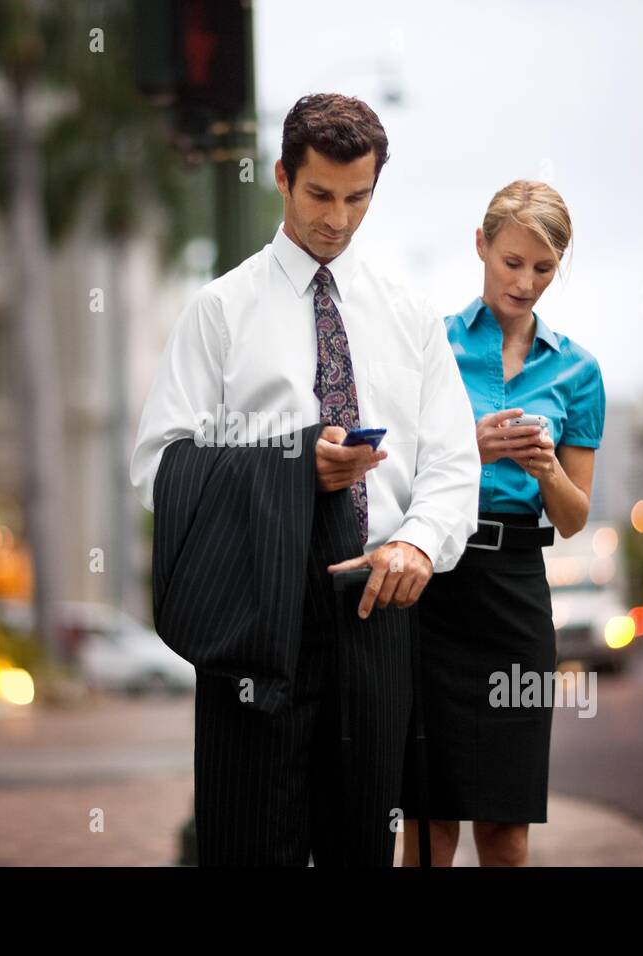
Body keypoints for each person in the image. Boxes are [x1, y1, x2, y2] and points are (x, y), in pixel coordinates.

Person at [130, 93, 481, 866]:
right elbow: (160, 466)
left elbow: (455, 464)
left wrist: (418, 547)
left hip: (377, 609)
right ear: (283, 178)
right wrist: (296, 467)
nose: (338, 218)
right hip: (258, 609)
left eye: (359, 198)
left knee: (361, 850)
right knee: (249, 844)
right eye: (320, 194)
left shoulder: (411, 315)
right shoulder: (219, 311)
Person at [401, 180, 606, 866]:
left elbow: (575, 518)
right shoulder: (430, 345)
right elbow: (394, 471)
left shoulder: (579, 372)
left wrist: (546, 468)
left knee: (506, 821)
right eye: (512, 262)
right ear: (481, 246)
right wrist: (471, 446)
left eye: (543, 269)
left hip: (517, 590)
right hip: (434, 583)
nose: (524, 282)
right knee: (428, 822)